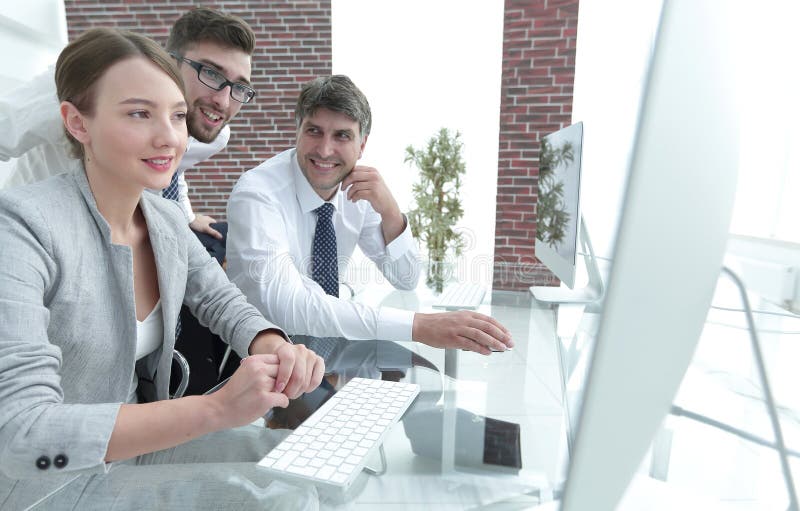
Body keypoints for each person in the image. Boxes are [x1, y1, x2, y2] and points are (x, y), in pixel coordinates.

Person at [0, 28, 324, 510]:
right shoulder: (22, 226)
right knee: (274, 502)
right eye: (138, 113)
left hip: (132, 452)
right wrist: (215, 409)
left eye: (175, 116)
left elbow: (220, 300)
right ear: (76, 122)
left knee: (305, 465)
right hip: (48, 485)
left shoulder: (165, 217)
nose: (168, 136)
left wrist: (273, 343)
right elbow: (23, 435)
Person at [226, 75, 514, 355]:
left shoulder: (357, 192)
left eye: (342, 136)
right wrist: (420, 326)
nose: (325, 150)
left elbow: (406, 278)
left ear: (362, 145)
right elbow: (286, 306)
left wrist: (390, 211)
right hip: (255, 360)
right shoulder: (258, 193)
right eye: (314, 131)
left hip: (326, 351)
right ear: (298, 132)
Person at [0, 7, 254, 243]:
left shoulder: (211, 133)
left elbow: (176, 171)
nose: (223, 100)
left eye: (240, 87)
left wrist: (185, 215)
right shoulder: (86, 85)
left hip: (107, 244)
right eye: (210, 73)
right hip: (27, 235)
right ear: (170, 62)